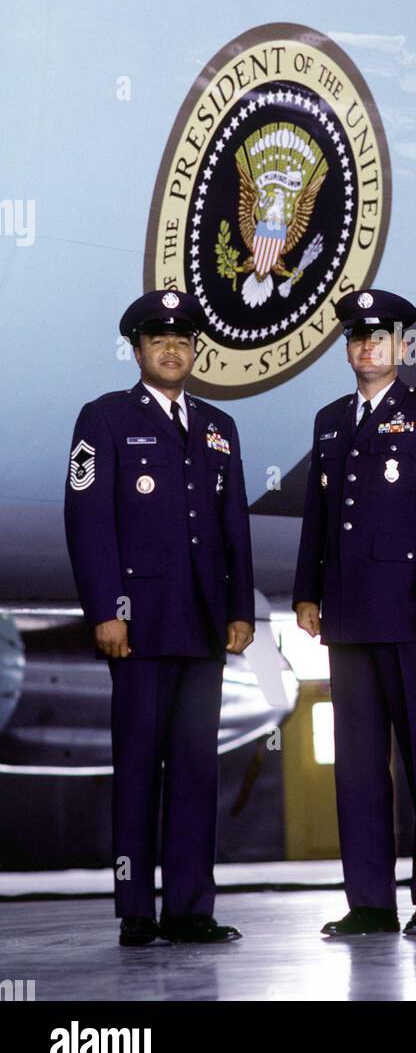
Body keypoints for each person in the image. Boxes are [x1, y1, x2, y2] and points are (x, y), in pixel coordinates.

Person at [64, 289, 254, 946]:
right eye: (158, 341)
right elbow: (89, 523)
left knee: (197, 769)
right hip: (138, 625)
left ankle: (190, 909)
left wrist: (240, 608)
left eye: (182, 341)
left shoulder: (218, 427)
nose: (172, 351)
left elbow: (233, 527)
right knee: (140, 766)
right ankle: (137, 910)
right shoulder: (104, 419)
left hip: (203, 625)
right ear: (138, 350)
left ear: (194, 350)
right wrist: (106, 611)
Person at [292, 289, 416, 936]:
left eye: (380, 337)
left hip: (410, 615)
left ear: (402, 347)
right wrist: (306, 593)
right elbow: (320, 515)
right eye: (358, 338)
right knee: (358, 766)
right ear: (348, 349)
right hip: (348, 617)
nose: (368, 347)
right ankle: (369, 901)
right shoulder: (331, 420)